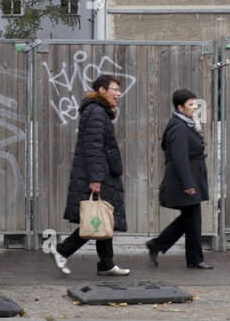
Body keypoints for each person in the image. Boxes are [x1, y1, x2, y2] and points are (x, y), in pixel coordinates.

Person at [51, 74, 130, 276]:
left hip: (103, 173)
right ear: (102, 90)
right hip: (98, 175)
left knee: (104, 216)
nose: (118, 93)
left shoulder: (99, 111)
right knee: (95, 218)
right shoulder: (96, 112)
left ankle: (106, 264)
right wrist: (96, 179)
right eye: (114, 89)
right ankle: (62, 250)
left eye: (119, 90)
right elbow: (93, 148)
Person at [145, 88, 212, 269]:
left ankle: (160, 246)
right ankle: (194, 259)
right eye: (191, 104)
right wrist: (188, 184)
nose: (195, 107)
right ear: (180, 107)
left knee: (190, 219)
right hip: (184, 180)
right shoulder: (179, 128)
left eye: (195, 103)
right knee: (192, 219)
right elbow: (179, 157)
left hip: (191, 177)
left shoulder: (188, 124)